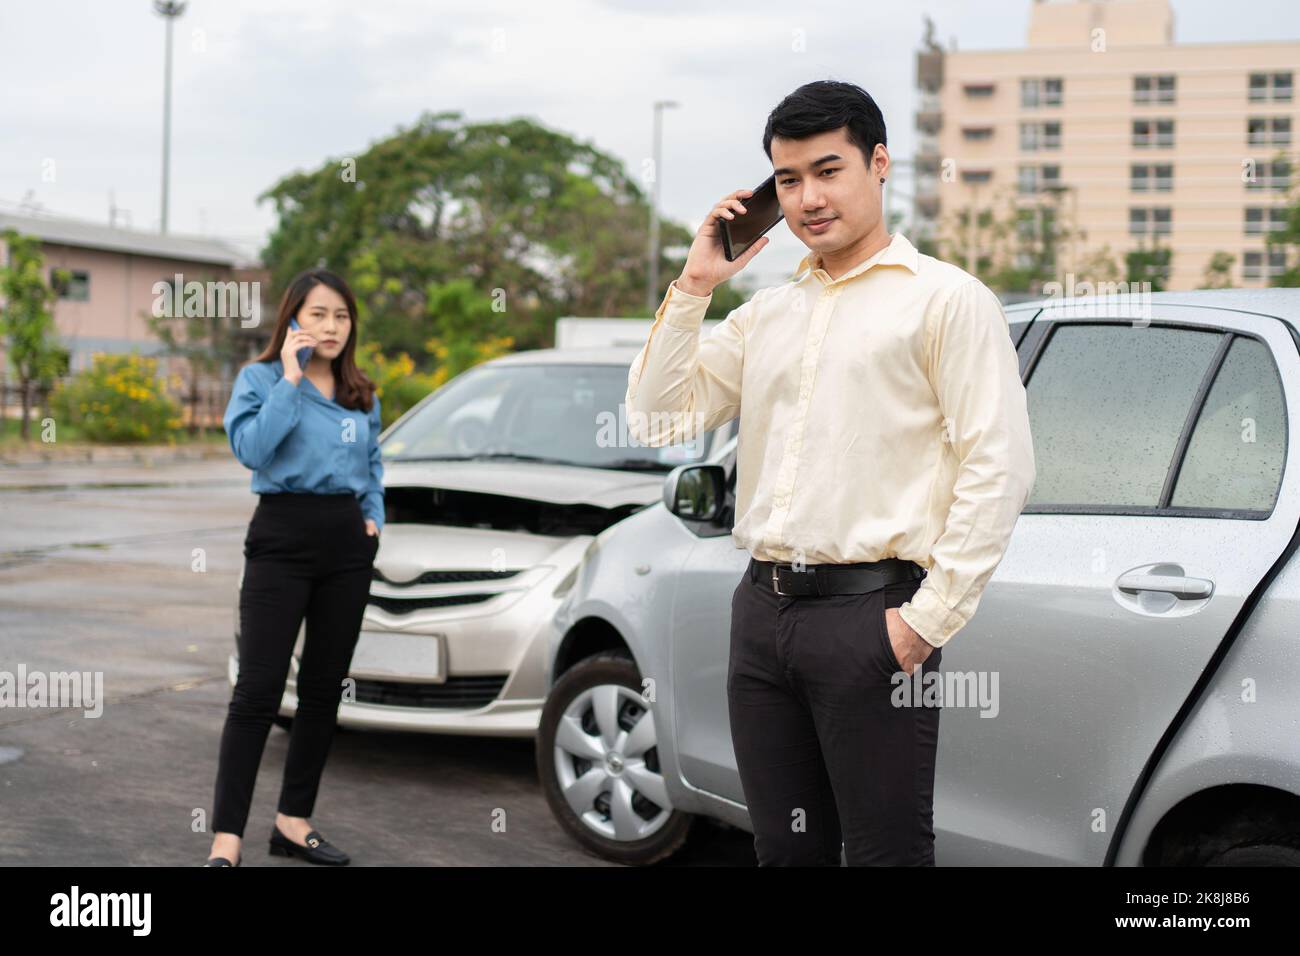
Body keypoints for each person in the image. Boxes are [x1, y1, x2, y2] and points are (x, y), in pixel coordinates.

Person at [625, 80, 1036, 865]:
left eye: (828, 169)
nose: (808, 197)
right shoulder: (768, 313)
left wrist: (922, 626)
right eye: (787, 179)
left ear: (879, 164)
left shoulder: (947, 301)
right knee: (785, 853)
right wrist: (695, 288)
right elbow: (657, 418)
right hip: (761, 613)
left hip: (872, 616)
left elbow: (999, 467)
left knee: (887, 854)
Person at [204, 268, 385, 866]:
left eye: (341, 316)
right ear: (292, 319)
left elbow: (375, 465)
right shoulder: (259, 379)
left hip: (345, 548)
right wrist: (289, 376)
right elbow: (253, 450)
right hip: (281, 538)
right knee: (256, 692)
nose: (331, 326)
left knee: (321, 692)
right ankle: (226, 841)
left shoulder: (361, 391)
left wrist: (373, 520)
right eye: (317, 314)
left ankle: (292, 821)